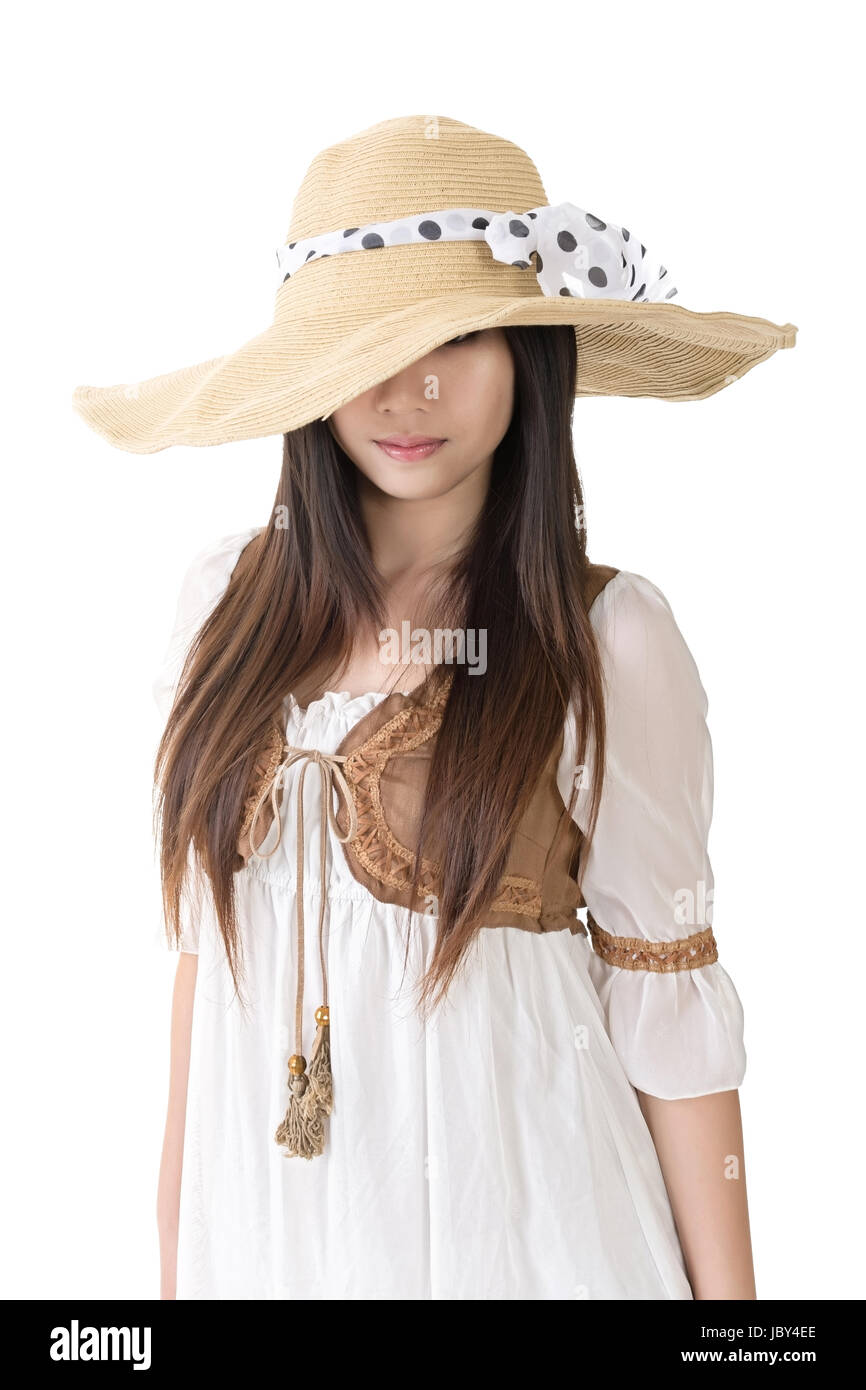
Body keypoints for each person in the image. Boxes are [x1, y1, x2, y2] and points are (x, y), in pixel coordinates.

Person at [71, 114, 797, 1300]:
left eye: (459, 337)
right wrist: (174, 1264)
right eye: (363, 343)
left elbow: (666, 1004)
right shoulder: (223, 607)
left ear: (530, 353)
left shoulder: (607, 638)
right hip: (273, 1248)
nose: (410, 389)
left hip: (531, 1238)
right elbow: (204, 970)